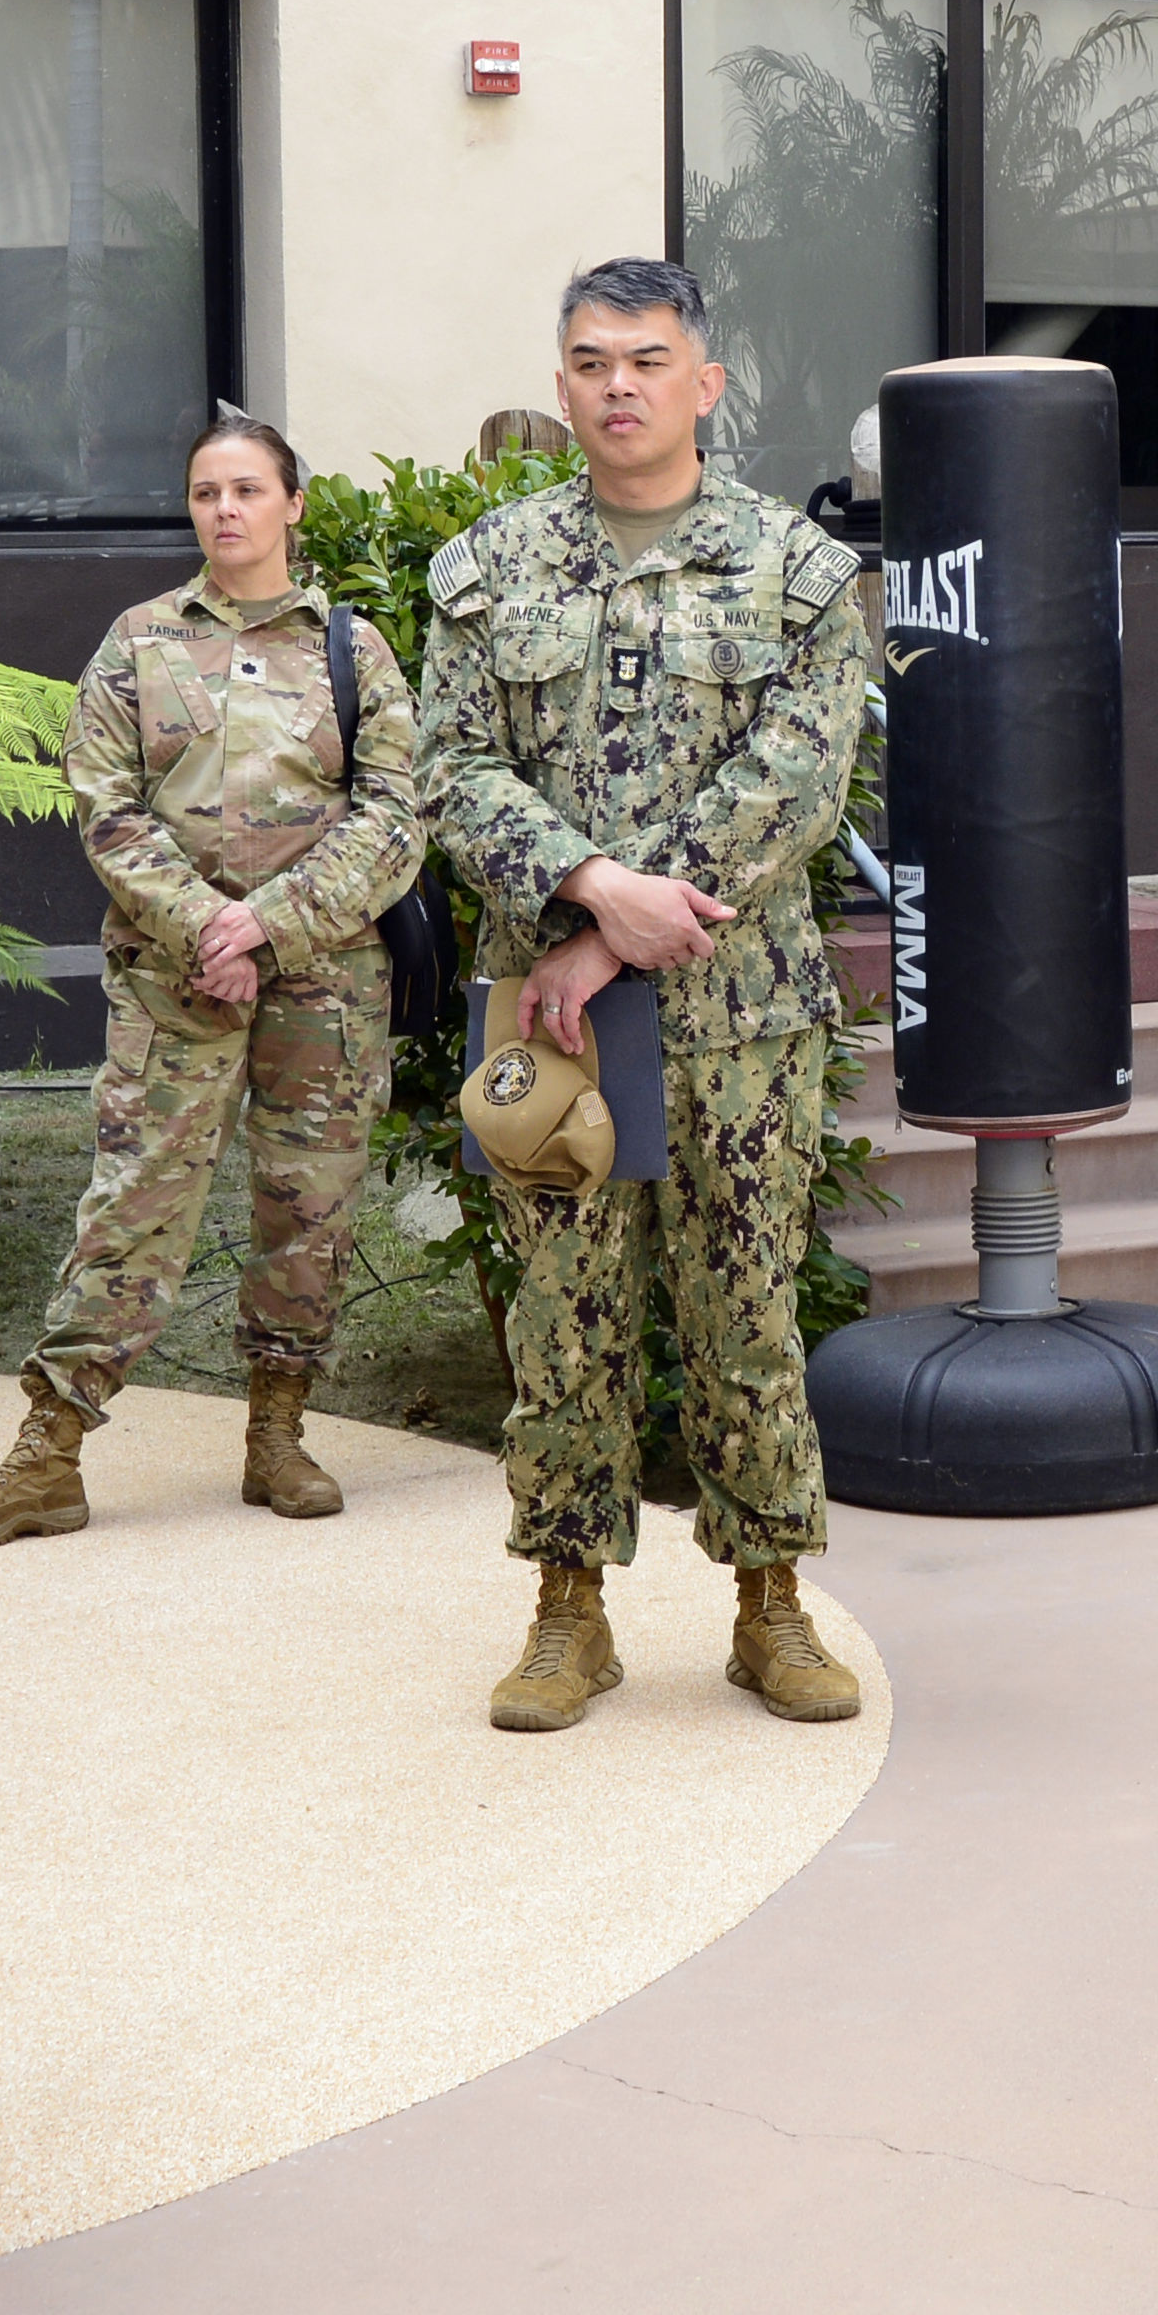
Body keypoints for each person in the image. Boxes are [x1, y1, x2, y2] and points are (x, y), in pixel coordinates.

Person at [422, 258, 875, 1732]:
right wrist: (581, 880)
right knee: (562, 1317)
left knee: (744, 1310)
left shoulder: (799, 573)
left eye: (647, 358)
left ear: (705, 383)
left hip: (739, 1019)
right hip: (552, 1024)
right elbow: (450, 770)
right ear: (560, 386)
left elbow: (797, 783)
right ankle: (569, 1610)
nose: (618, 384)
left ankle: (770, 1603)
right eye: (591, 360)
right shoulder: (488, 575)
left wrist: (613, 925)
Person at [0, 414, 426, 1553]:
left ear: (293, 504)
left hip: (325, 984)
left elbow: (398, 822)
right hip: (176, 977)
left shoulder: (355, 649)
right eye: (205, 492)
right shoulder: (138, 643)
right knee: (137, 1201)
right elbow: (103, 804)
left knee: (312, 1208)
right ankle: (49, 1454)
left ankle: (278, 1434)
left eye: (247, 489)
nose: (225, 510)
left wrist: (271, 927)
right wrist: (208, 927)